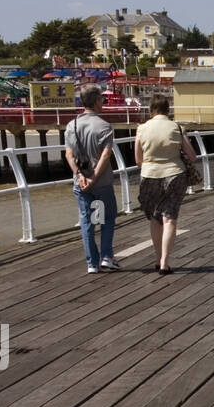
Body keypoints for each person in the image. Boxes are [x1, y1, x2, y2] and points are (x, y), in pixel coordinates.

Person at [134, 93, 197, 273]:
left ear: (152, 110)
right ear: (167, 110)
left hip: (150, 175)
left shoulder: (142, 129)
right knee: (169, 219)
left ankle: (156, 257)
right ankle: (164, 263)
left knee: (155, 218)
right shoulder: (176, 127)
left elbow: (138, 159)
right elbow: (192, 156)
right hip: (174, 174)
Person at [63, 85, 119, 274]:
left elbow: (69, 154)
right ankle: (106, 257)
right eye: (102, 98)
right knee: (107, 218)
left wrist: (80, 176)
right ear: (96, 101)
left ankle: (91, 263)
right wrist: (94, 178)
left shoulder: (72, 125)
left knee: (87, 220)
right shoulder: (104, 126)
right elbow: (105, 156)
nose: (103, 101)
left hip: (80, 183)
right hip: (101, 182)